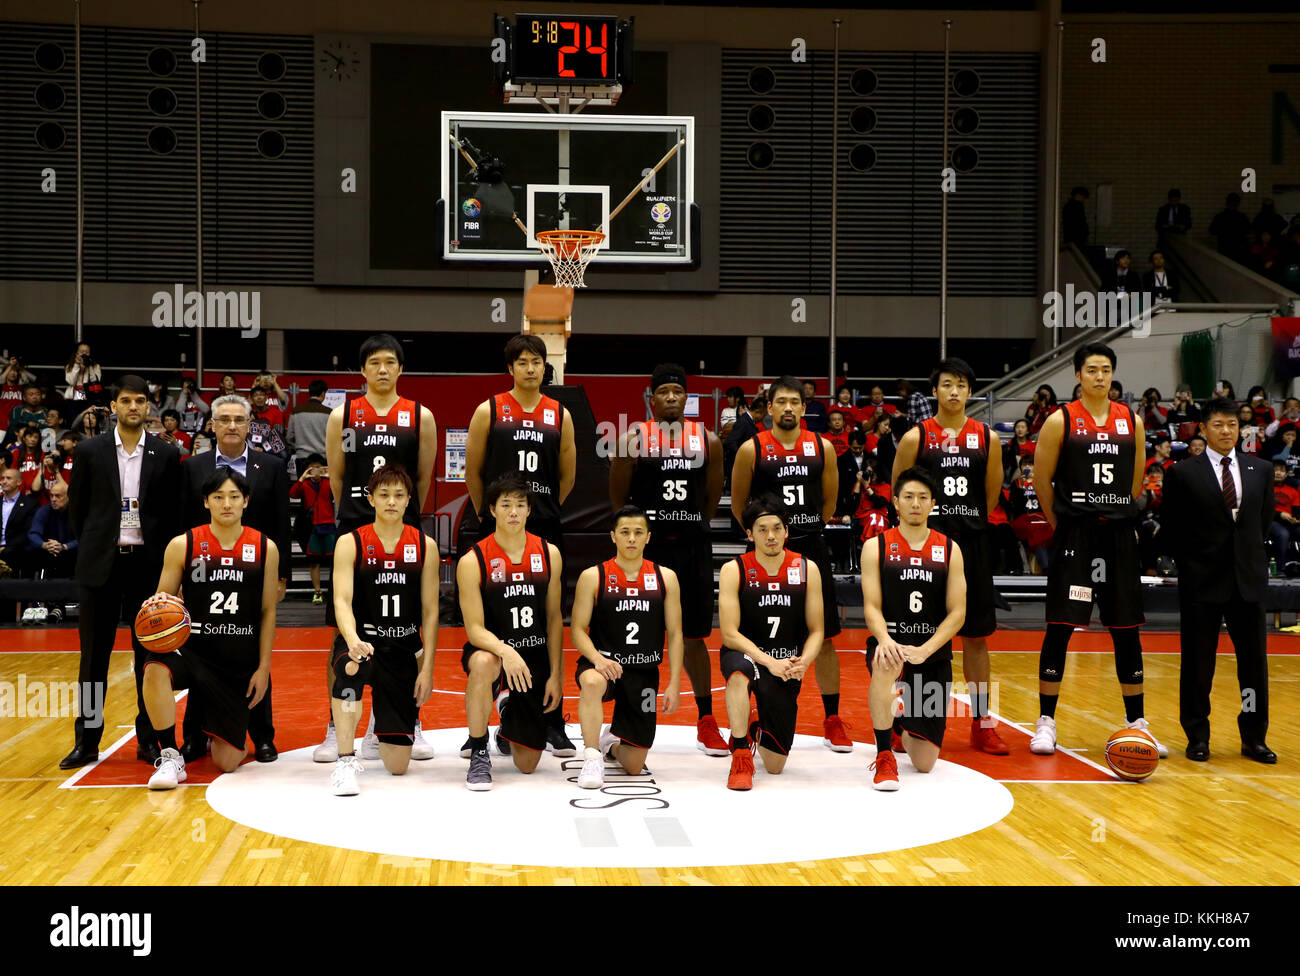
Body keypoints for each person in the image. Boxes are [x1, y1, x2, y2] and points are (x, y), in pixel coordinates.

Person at [1028, 343, 1167, 758]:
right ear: (1077, 375)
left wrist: (1115, 513)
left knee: (1126, 628)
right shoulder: (1060, 420)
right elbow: (1041, 480)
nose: (1100, 377)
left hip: (1119, 536)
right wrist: (1064, 527)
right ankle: (1046, 721)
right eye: (1092, 370)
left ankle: (1136, 723)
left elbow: (1135, 483)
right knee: (1061, 625)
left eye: (1106, 370)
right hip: (1077, 535)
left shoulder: (1133, 422)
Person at [314, 334, 437, 763]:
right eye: (374, 363)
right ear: (362, 370)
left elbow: (420, 479)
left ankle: (408, 719)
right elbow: (338, 477)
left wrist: (396, 510)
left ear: (400, 369)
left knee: (406, 625)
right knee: (344, 626)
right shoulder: (342, 415)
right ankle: (337, 725)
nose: (382, 369)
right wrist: (359, 515)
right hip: (356, 524)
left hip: (401, 524)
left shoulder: (420, 416)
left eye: (390, 362)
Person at [60, 375, 181, 770]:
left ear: (149, 407)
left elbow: (170, 514)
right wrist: (99, 543)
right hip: (102, 565)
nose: (133, 407)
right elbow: (78, 512)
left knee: (148, 659)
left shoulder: (165, 454)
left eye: (140, 401)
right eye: (126, 401)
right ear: (113, 407)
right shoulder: (91, 451)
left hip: (147, 568)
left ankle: (149, 740)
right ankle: (87, 740)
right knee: (93, 658)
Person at [463, 334, 575, 757]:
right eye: (522, 362)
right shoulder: (487, 410)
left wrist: (538, 511)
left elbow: (567, 475)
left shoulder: (558, 413)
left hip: (542, 524)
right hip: (496, 527)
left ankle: (551, 718)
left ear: (546, 367)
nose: (531, 368)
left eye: (537, 362)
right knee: (493, 616)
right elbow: (473, 470)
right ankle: (482, 716)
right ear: (510, 368)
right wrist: (493, 515)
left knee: (546, 619)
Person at [608, 364, 727, 755]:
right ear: (652, 397)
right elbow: (619, 500)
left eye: (679, 391)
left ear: (688, 397)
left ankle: (706, 720)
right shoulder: (633, 439)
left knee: (694, 636)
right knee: (637, 635)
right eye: (665, 392)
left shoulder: (707, 439)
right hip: (649, 550)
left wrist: (689, 523)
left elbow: (710, 498)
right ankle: (624, 720)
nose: (672, 397)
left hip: (691, 546)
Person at [891, 357, 1008, 754]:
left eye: (961, 384)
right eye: (946, 384)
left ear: (970, 391)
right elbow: (900, 492)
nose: (954, 391)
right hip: (926, 546)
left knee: (976, 636)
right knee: (917, 634)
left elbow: (990, 496)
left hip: (971, 545)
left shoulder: (987, 438)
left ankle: (981, 721)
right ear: (935, 392)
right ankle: (907, 718)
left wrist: (966, 523)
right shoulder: (915, 437)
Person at [137, 469, 277, 789]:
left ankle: (210, 726)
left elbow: (268, 611)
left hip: (237, 659)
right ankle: (171, 756)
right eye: (218, 497)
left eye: (233, 497)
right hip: (192, 650)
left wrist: (263, 667)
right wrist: (158, 603)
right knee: (154, 668)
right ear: (206, 502)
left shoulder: (265, 548)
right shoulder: (182, 544)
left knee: (227, 763)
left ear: (246, 502)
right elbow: (162, 605)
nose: (226, 503)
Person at [731, 375, 848, 749]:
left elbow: (829, 502)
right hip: (766, 550)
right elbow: (739, 506)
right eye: (780, 402)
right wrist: (766, 537)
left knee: (825, 635)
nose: (787, 408)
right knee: (760, 634)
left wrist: (803, 530)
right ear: (769, 408)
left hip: (809, 546)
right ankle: (754, 708)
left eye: (794, 402)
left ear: (804, 408)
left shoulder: (822, 447)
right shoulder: (753, 449)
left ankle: (833, 717)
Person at [1162, 398, 1276, 764]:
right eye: (1218, 425)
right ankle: (1197, 735)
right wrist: (1194, 566)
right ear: (1203, 429)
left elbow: (1261, 523)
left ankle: (1254, 736)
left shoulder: (1260, 469)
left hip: (1247, 580)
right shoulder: (1183, 473)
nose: (1226, 431)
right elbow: (1173, 529)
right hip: (1201, 581)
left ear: (1239, 428)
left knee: (1253, 665)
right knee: (1198, 663)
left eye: (1232, 424)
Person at [179, 393, 291, 763]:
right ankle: (194, 735)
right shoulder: (192, 467)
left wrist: (282, 575)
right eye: (223, 419)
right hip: (203, 572)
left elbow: (280, 524)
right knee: (200, 650)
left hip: (253, 571)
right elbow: (184, 523)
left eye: (238, 420)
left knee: (254, 647)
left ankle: (262, 735)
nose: (230, 426)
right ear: (212, 424)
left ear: (249, 425)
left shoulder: (271, 466)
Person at [328, 465, 438, 795]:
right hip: (364, 643)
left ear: (409, 501)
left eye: (399, 495)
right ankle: (345, 761)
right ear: (371, 498)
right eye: (384, 494)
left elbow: (431, 613)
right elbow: (342, 601)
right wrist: (352, 638)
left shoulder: (424, 545)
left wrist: (428, 668)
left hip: (403, 649)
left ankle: (381, 721)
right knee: (349, 668)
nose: (391, 501)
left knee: (398, 765)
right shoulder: (350, 542)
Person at [861, 467, 966, 790]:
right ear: (895, 502)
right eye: (908, 497)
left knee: (923, 762)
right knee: (885, 662)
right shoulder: (876, 547)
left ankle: (899, 723)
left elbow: (957, 612)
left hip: (930, 654)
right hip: (891, 643)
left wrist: (925, 650)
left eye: (922, 497)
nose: (915, 504)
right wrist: (885, 639)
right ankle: (883, 756)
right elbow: (872, 606)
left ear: (933, 503)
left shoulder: (949, 549)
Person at [457, 474, 563, 791]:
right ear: (492, 509)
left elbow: (555, 619)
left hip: (534, 655)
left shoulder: (548, 554)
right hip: (494, 651)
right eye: (506, 505)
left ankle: (506, 713)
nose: (513, 512)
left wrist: (556, 674)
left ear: (530, 510)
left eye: (520, 505)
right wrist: (506, 652)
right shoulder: (473, 559)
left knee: (527, 765)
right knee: (483, 664)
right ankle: (478, 750)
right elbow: (474, 629)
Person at [570, 505, 683, 789]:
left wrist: (674, 683)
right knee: (592, 683)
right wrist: (597, 659)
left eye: (638, 533)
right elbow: (577, 631)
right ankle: (592, 755)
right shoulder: (593, 576)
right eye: (625, 532)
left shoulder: (665, 577)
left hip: (644, 672)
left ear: (647, 537)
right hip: (605, 664)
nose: (631, 538)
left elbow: (677, 633)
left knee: (634, 765)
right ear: (613, 536)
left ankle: (611, 745)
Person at [717, 496, 824, 791]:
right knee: (739, 675)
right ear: (749, 534)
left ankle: (753, 725)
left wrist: (804, 661)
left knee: (775, 765)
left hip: (786, 663)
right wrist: (768, 661)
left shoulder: (807, 568)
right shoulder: (733, 570)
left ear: (787, 531)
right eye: (762, 530)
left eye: (777, 528)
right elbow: (730, 634)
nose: (771, 536)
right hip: (748, 655)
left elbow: (817, 630)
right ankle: (740, 753)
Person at [25, 477, 77, 624]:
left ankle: (61, 606)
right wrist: (44, 545)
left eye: (58, 496)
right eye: (51, 496)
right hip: (49, 553)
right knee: (40, 556)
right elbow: (33, 534)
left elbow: (85, 537)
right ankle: (40, 606)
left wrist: (65, 546)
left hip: (73, 553)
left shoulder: (77, 512)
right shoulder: (44, 511)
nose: (53, 499)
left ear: (68, 496)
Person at [290, 453, 335, 603]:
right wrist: (303, 477)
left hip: (328, 524)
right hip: (312, 527)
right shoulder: (305, 484)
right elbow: (293, 493)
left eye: (318, 468)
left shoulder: (329, 483)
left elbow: (339, 490)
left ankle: (334, 591)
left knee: (333, 561)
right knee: (314, 561)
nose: (315, 471)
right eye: (312, 468)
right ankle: (317, 592)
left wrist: (330, 475)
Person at [286, 379, 332, 469]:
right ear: (323, 393)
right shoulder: (329, 412)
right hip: (323, 458)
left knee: (302, 483)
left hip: (302, 457)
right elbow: (333, 438)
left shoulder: (296, 411)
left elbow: (289, 437)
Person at [723, 395, 767, 485]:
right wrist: (742, 456)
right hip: (737, 468)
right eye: (764, 415)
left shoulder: (748, 421)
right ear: (758, 412)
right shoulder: (744, 422)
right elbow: (730, 442)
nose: (763, 418)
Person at [1266, 459, 1300, 575]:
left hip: (1289, 522)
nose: (1278, 473)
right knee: (1283, 534)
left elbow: (1296, 509)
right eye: (1275, 470)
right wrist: (1280, 514)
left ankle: (1296, 565)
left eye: (1281, 471)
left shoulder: (1292, 490)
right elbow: (1262, 509)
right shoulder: (1265, 489)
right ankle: (1280, 569)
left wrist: (1296, 518)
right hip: (1270, 521)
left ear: (1286, 474)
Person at [1210, 193, 1251, 264]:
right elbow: (1248, 230)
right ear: (1238, 204)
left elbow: (1212, 231)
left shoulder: (1220, 217)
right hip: (1239, 250)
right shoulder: (1241, 217)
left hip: (1224, 249)